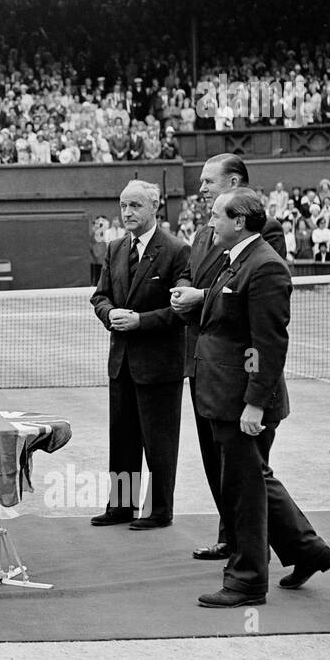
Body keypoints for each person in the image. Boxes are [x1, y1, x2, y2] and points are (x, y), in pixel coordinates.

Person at [174, 190, 330, 606]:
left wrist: (255, 404)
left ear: (240, 221)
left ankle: (247, 580)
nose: (210, 223)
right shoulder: (236, 260)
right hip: (223, 394)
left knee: (244, 489)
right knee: (254, 479)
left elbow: (268, 342)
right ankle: (307, 550)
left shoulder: (264, 267)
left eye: (216, 216)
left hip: (242, 399)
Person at [169, 153, 285, 562]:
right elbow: (190, 271)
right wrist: (185, 289)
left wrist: (203, 296)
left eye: (208, 182)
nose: (200, 189)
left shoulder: (263, 232)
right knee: (217, 461)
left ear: (234, 183)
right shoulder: (205, 233)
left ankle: (256, 548)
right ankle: (235, 537)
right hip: (204, 366)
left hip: (241, 374)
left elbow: (259, 316)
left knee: (249, 471)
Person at [89, 182, 189, 528]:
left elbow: (182, 311)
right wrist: (110, 314)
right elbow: (100, 296)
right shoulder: (115, 248)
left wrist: (140, 321)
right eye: (123, 205)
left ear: (155, 207)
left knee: (159, 443)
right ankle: (121, 506)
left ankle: (160, 511)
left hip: (160, 366)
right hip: (122, 364)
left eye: (135, 205)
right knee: (123, 438)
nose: (127, 212)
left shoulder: (178, 251)